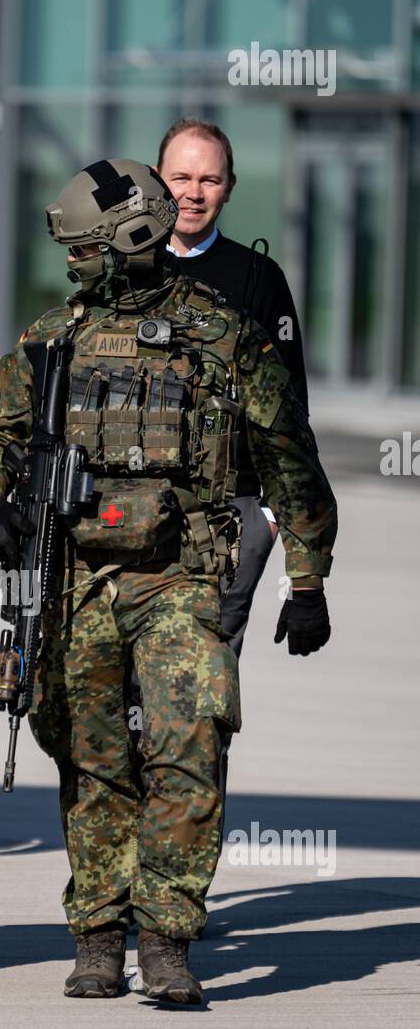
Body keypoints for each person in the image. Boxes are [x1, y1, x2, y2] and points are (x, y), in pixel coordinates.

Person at [0, 159, 337, 1007]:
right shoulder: (53, 337)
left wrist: (306, 579)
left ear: (129, 238)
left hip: (183, 577)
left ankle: (166, 939)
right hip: (76, 580)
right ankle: (98, 934)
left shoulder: (224, 334)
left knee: (188, 749)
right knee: (92, 760)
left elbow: (290, 461)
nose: (72, 266)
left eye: (85, 250)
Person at [157, 117, 309, 655]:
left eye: (209, 180)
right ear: (157, 180)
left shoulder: (258, 277)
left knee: (204, 686)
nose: (193, 194)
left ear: (229, 188)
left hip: (232, 512)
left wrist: (269, 519)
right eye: (180, 178)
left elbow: (291, 411)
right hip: (128, 511)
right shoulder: (124, 269)